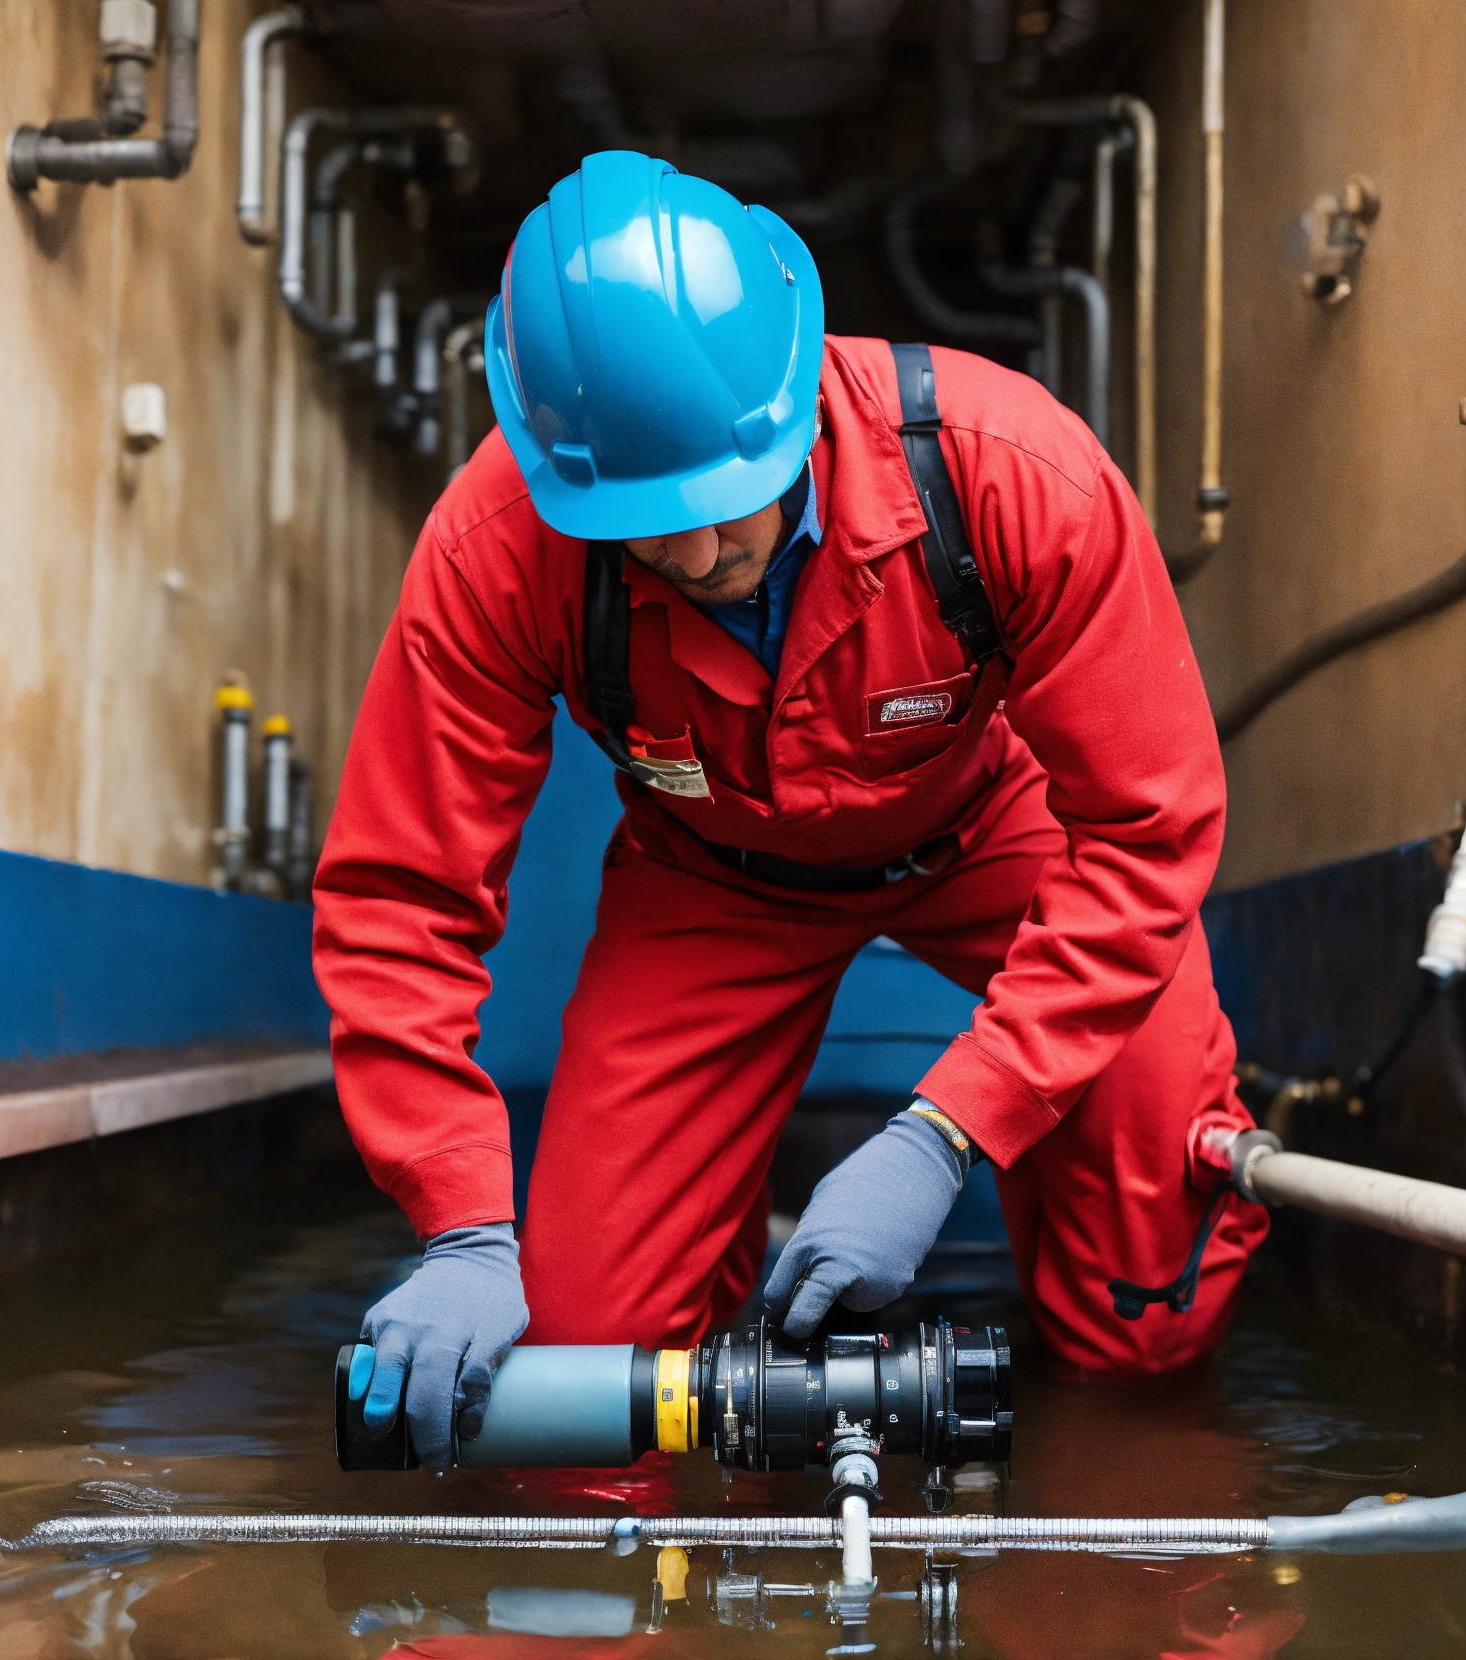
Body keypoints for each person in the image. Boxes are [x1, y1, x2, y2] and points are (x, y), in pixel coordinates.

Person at [312, 150, 1267, 1472]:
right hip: (712, 880)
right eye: (642, 532)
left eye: (716, 507)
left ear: (799, 398)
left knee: (1145, 1314)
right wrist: (463, 1223)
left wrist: (947, 1131)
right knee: (586, 1376)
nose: (693, 561)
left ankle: (1088, 1408)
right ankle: (703, 1307)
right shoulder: (499, 550)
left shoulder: (1009, 474)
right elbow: (400, 899)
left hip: (1003, 836)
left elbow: (1147, 832)